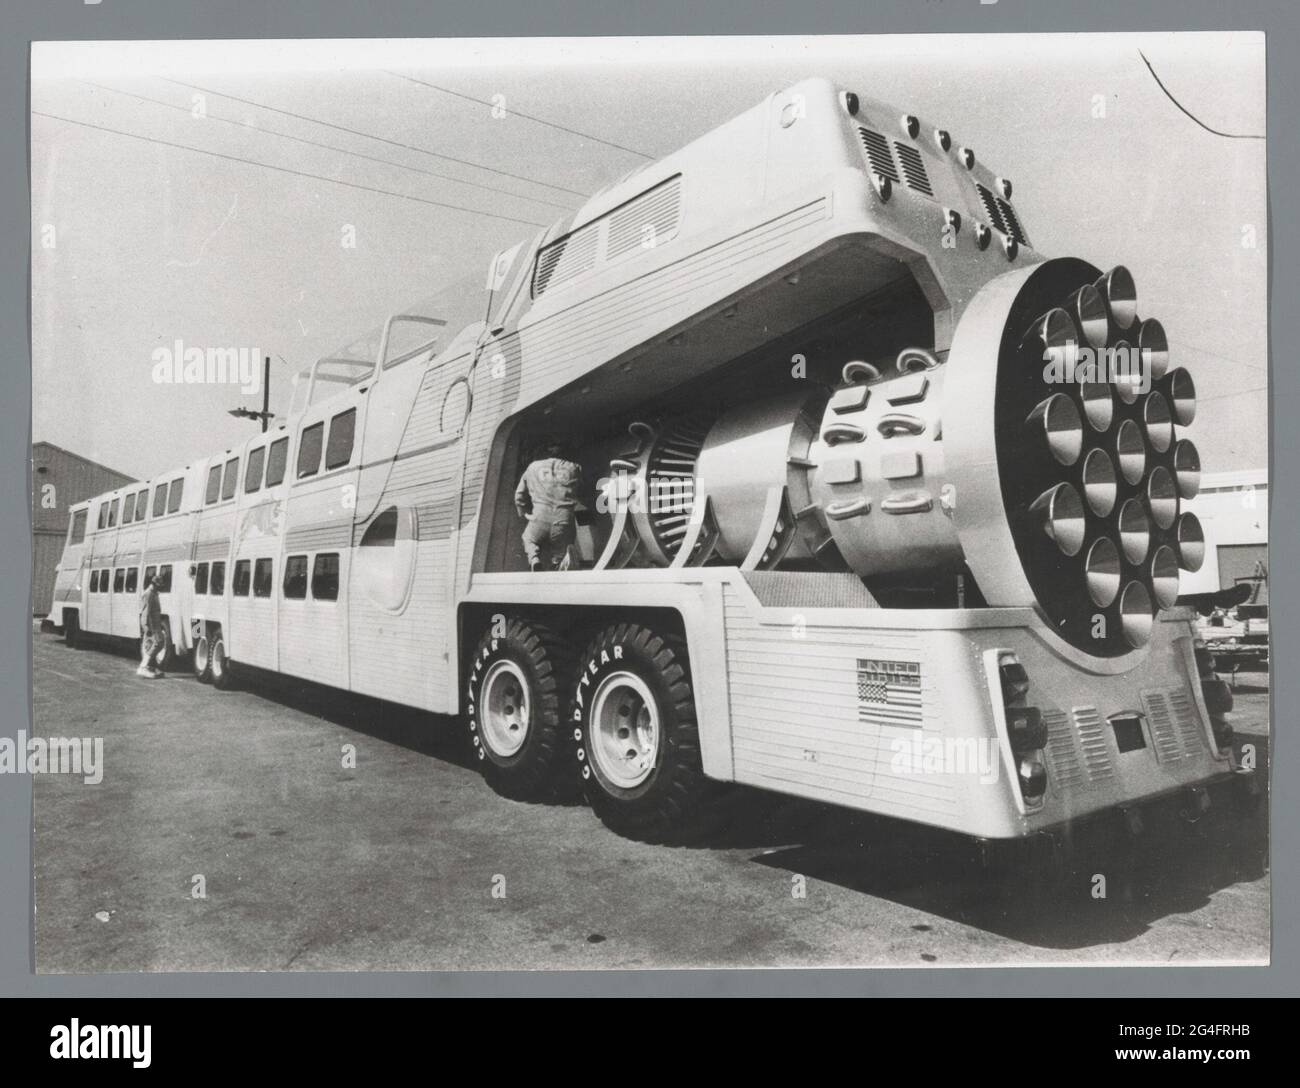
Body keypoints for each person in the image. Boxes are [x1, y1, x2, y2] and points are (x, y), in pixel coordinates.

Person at [514, 437, 582, 571]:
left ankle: (534, 559)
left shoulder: (532, 467)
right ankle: (558, 564)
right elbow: (582, 492)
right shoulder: (575, 468)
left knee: (528, 539)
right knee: (561, 553)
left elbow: (519, 496)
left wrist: (523, 513)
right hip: (564, 520)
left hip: (539, 518)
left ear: (546, 450)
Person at [137, 574, 165, 678]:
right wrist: (146, 627)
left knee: (157, 644)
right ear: (154, 584)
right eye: (159, 585)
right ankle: (143, 667)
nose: (160, 587)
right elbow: (145, 612)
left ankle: (148, 666)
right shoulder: (148, 594)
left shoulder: (154, 593)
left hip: (156, 624)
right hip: (151, 625)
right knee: (156, 644)